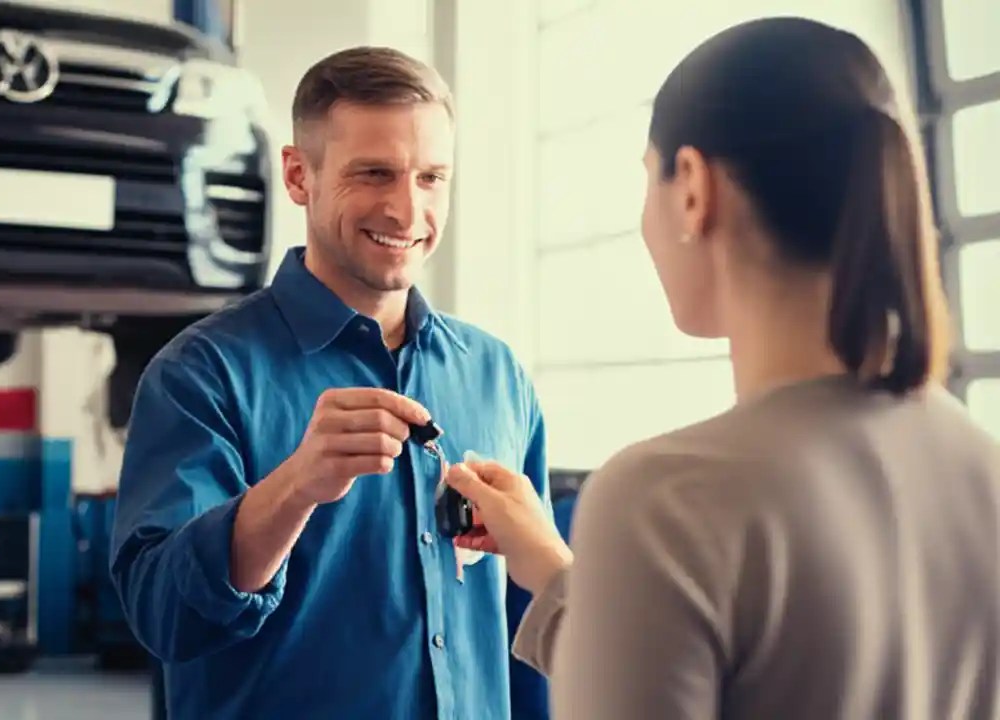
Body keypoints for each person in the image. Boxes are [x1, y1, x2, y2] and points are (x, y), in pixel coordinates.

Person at [444, 16, 1000, 720]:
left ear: (694, 190)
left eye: (648, 179)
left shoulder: (662, 499)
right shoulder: (982, 466)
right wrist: (560, 578)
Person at [110, 46, 552, 720]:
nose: (407, 211)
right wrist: (294, 489)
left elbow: (530, 625)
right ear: (298, 175)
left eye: (432, 177)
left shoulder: (497, 377)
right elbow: (164, 619)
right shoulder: (200, 376)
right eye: (374, 174)